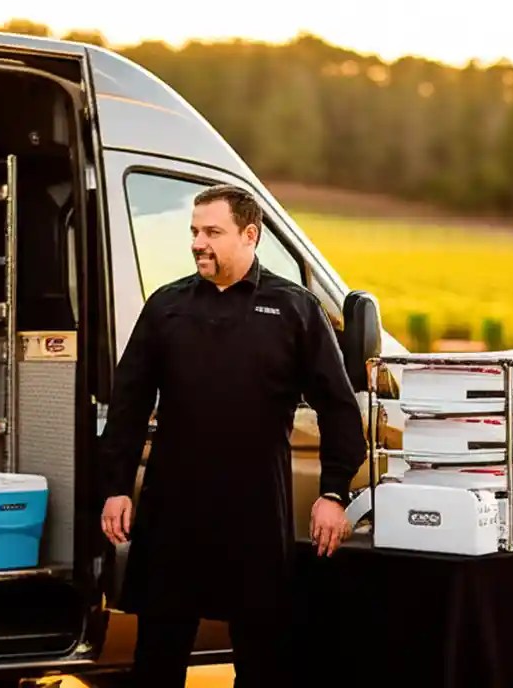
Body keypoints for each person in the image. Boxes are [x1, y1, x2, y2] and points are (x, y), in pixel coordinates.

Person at [98, 184, 368, 687]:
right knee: (158, 653)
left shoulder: (294, 309)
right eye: (194, 231)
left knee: (262, 656)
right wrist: (115, 485)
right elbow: (129, 403)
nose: (199, 242)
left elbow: (339, 409)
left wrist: (333, 491)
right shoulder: (167, 307)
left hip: (255, 513)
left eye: (212, 232)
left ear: (250, 235)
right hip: (172, 509)